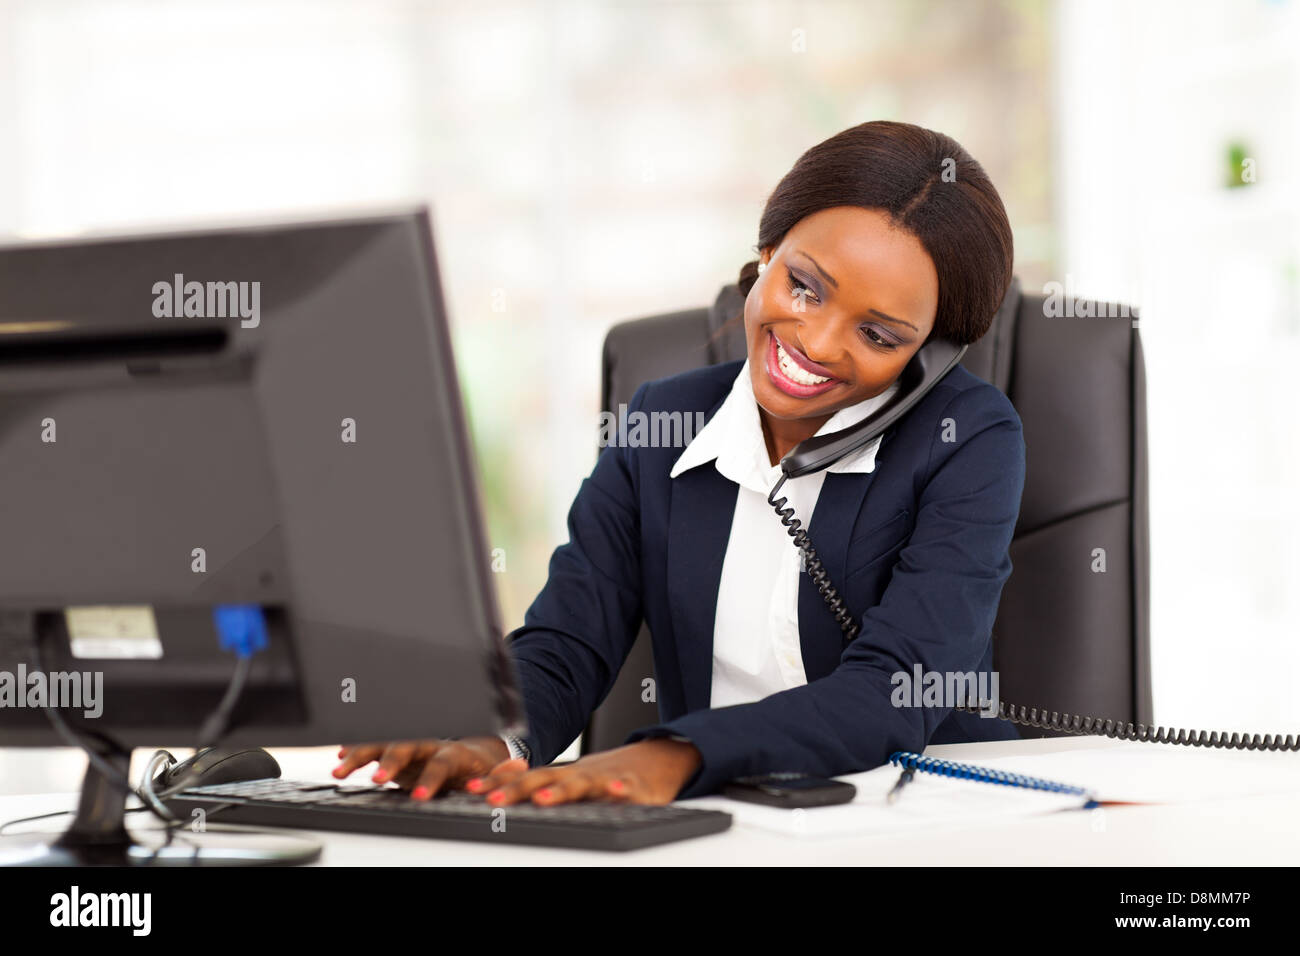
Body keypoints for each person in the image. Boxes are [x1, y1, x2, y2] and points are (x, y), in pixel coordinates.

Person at [334, 120, 1025, 806]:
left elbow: (890, 692)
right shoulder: (662, 423)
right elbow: (567, 640)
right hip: (721, 823)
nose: (816, 341)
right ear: (766, 251)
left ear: (931, 358)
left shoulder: (968, 439)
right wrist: (487, 736)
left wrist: (674, 756)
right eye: (805, 286)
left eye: (877, 334)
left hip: (921, 819)